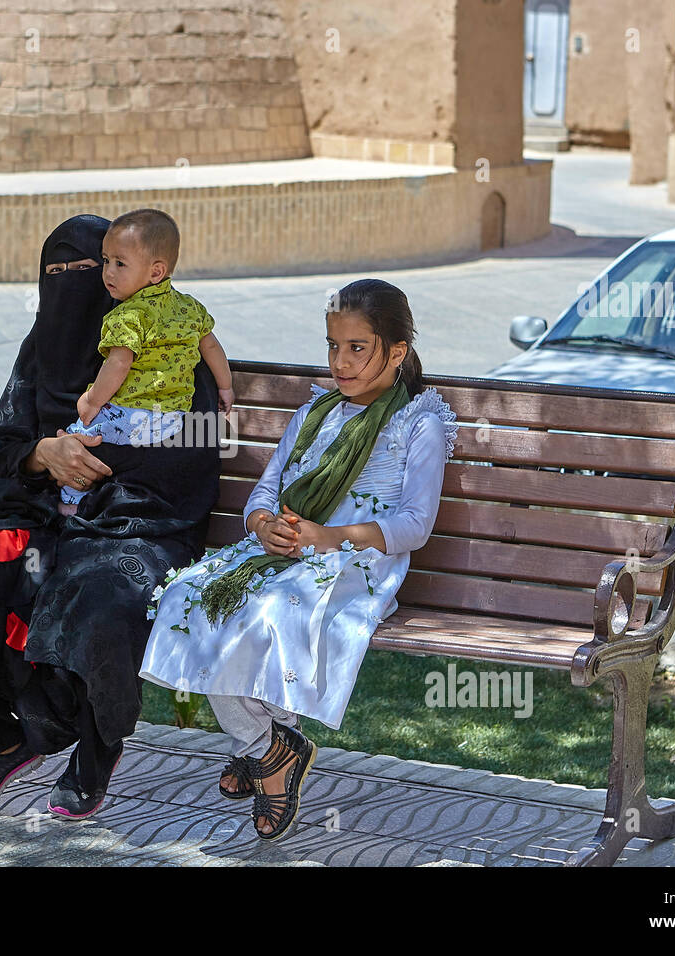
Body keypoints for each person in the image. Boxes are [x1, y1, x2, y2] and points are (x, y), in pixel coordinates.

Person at [0, 214, 221, 820]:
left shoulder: (163, 345)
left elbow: (198, 448)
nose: (75, 284)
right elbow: (2, 446)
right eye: (58, 273)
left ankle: (95, 753)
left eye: (90, 269)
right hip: (37, 516)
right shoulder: (40, 346)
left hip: (135, 525)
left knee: (100, 601)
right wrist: (44, 454)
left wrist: (103, 465)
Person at [139, 278, 458, 841]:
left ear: (397, 351)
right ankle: (270, 746)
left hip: (355, 561)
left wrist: (324, 536)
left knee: (272, 608)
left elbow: (414, 525)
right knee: (196, 596)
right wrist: (263, 525)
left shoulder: (418, 422)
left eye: (358, 347)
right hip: (289, 548)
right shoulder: (317, 412)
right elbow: (265, 490)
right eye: (333, 345)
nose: (341, 360)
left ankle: (263, 750)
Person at [59, 208, 234, 511]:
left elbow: (118, 364)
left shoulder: (127, 315)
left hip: (130, 415)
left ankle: (70, 501)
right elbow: (212, 348)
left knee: (77, 440)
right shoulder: (190, 308)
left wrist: (92, 401)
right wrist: (226, 388)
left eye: (120, 263)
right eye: (105, 261)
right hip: (171, 420)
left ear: (155, 272)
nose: (108, 272)